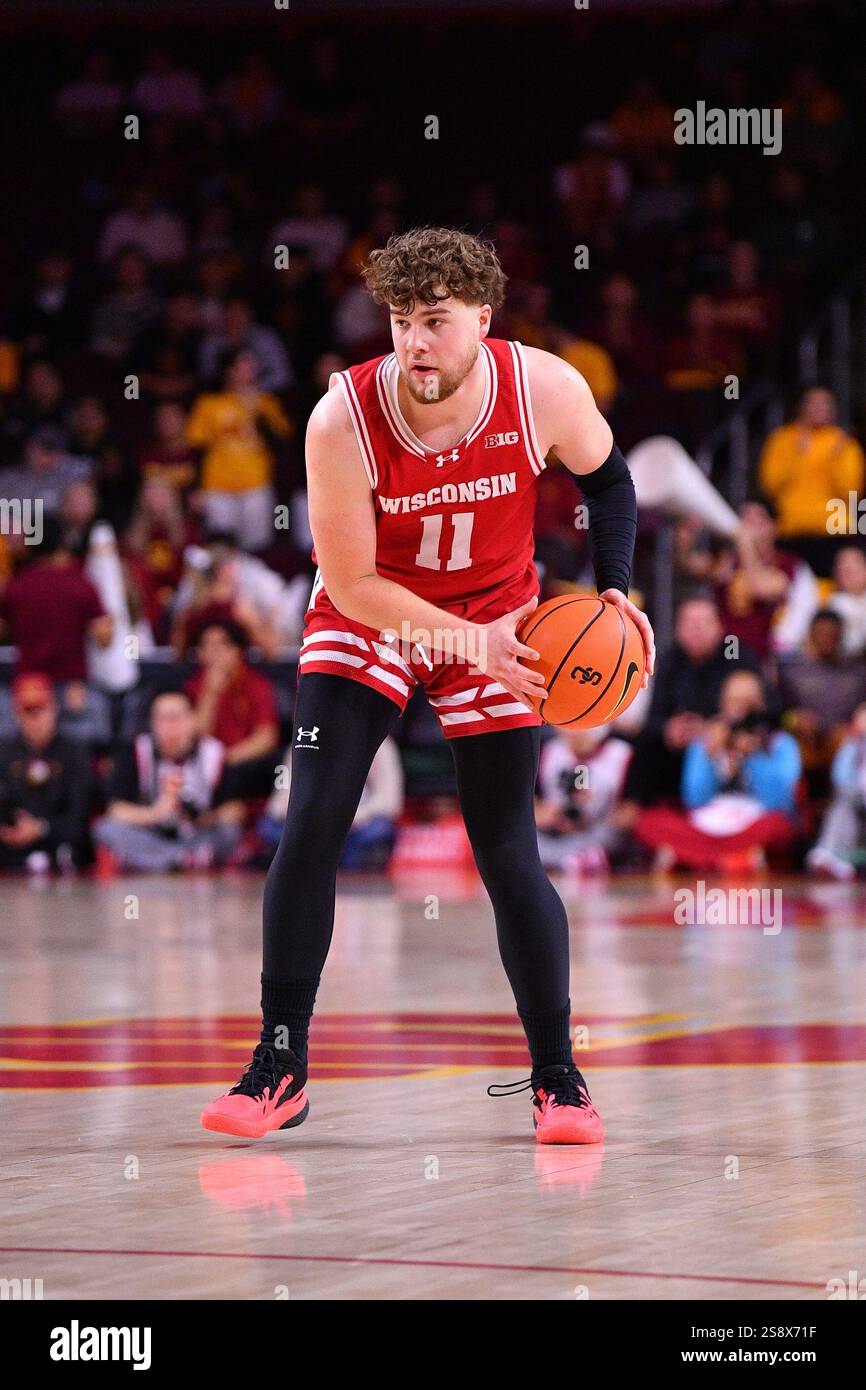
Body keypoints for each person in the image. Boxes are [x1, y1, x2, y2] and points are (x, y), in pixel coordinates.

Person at [200, 226, 654, 1146]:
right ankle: (279, 1065)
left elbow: (611, 486)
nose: (414, 343)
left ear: (482, 319)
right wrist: (468, 642)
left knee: (506, 848)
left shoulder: (545, 389)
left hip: (500, 615)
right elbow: (358, 584)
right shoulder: (344, 418)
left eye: (436, 322)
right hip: (373, 616)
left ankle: (559, 1079)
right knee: (315, 816)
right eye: (401, 321)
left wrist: (615, 592)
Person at [636, 670, 800, 872]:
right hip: (710, 824)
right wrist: (710, 755)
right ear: (723, 705)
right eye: (735, 703)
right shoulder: (705, 741)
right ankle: (734, 859)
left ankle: (691, 857)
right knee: (649, 821)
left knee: (778, 827)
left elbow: (779, 802)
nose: (741, 711)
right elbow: (695, 800)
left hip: (755, 822)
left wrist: (754, 754)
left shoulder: (780, 744)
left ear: (762, 705)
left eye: (749, 703)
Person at [93, 689, 243, 872]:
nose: (171, 727)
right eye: (163, 719)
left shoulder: (213, 753)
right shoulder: (137, 752)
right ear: (152, 723)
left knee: (229, 832)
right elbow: (116, 810)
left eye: (177, 717)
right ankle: (178, 859)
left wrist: (206, 818)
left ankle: (169, 860)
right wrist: (155, 813)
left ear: (193, 720)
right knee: (106, 829)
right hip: (153, 834)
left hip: (198, 833)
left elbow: (235, 810)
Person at [185, 346, 292, 552]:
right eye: (243, 364)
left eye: (251, 364)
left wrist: (258, 413)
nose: (249, 369)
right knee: (221, 547)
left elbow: (281, 443)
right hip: (217, 486)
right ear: (228, 370)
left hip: (256, 484)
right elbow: (197, 450)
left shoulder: (266, 402)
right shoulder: (209, 403)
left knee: (258, 548)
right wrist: (195, 488)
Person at [758, 387, 865, 577]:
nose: (819, 408)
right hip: (791, 530)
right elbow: (770, 485)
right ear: (801, 407)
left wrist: (836, 460)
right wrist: (795, 456)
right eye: (813, 403)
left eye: (824, 404)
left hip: (833, 530)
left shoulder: (844, 443)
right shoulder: (782, 440)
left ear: (833, 409)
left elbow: (850, 490)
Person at [0, 673, 92, 871]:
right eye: (27, 711)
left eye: (40, 709)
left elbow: (79, 813)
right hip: (11, 847)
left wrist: (41, 828)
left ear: (54, 709)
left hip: (62, 844)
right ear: (16, 713)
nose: (34, 719)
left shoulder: (74, 753)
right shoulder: (4, 753)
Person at [535, 725, 632, 873]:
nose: (575, 732)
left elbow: (631, 812)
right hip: (555, 831)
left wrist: (592, 816)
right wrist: (547, 815)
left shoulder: (621, 753)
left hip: (598, 828)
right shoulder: (548, 751)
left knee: (611, 835)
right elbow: (532, 805)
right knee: (527, 839)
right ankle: (573, 859)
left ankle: (571, 859)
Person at [806, 703, 866, 880]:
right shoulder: (853, 745)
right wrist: (854, 743)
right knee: (842, 804)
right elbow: (839, 777)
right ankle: (830, 853)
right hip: (857, 801)